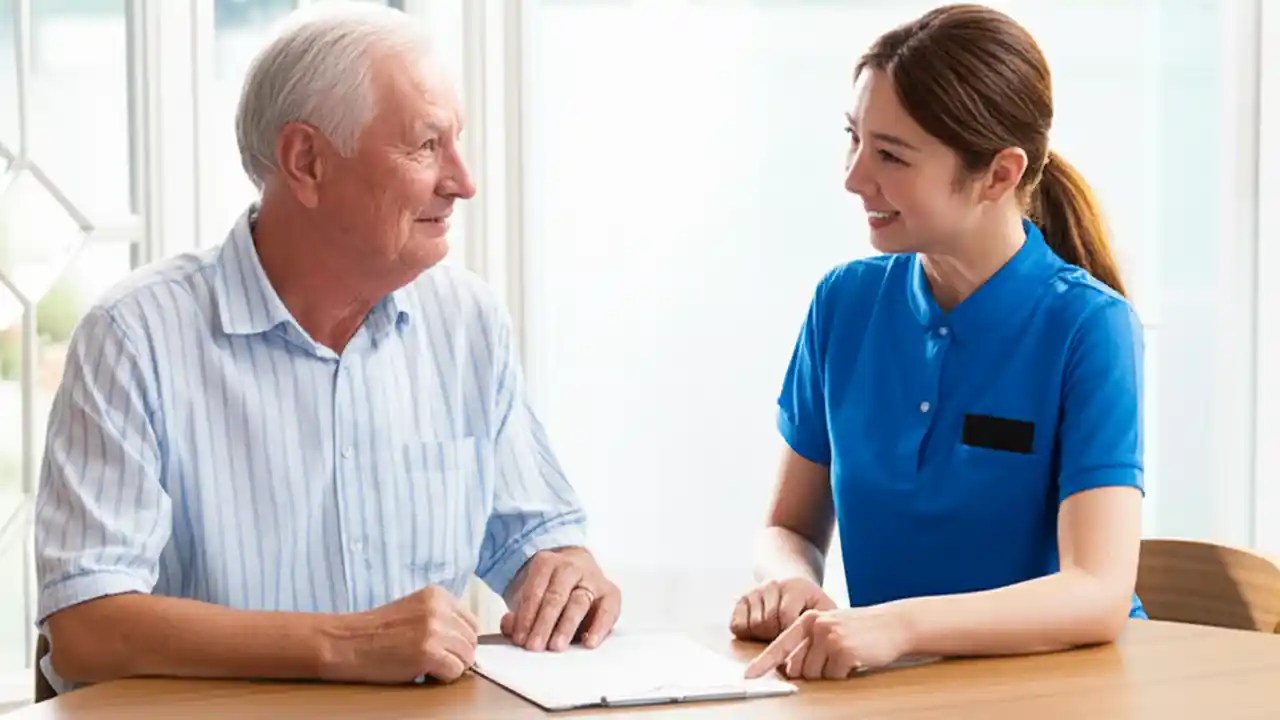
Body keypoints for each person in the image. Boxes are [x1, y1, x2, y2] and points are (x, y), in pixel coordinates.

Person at [34, 4, 619, 693]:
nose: (464, 182)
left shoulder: (469, 322)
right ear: (306, 161)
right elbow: (87, 629)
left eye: (457, 142)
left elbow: (540, 543)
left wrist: (566, 575)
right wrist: (345, 644)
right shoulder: (135, 336)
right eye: (426, 146)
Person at [732, 3, 1145, 681]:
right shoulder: (844, 303)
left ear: (999, 174)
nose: (853, 177)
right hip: (904, 687)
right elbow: (790, 528)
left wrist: (897, 626)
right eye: (854, 138)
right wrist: (792, 581)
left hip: (1063, 690)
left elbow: (1096, 592)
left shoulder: (1088, 327)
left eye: (891, 155)